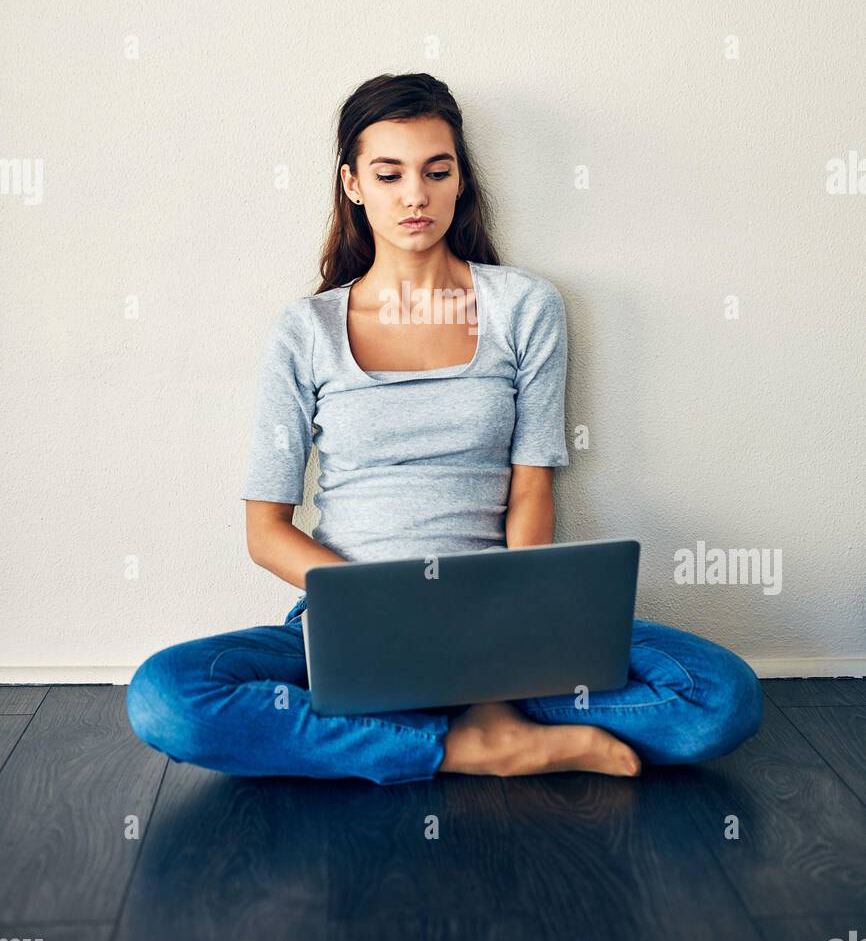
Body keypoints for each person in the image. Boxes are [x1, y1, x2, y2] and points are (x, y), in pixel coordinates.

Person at [126, 72, 763, 785]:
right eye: (389, 173)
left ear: (461, 180)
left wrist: (512, 629)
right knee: (165, 698)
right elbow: (265, 530)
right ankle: (469, 744)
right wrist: (382, 612)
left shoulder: (525, 306)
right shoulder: (306, 331)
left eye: (437, 170)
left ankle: (427, 719)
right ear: (353, 184)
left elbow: (530, 491)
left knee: (721, 697)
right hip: (350, 623)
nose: (415, 195)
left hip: (499, 613)